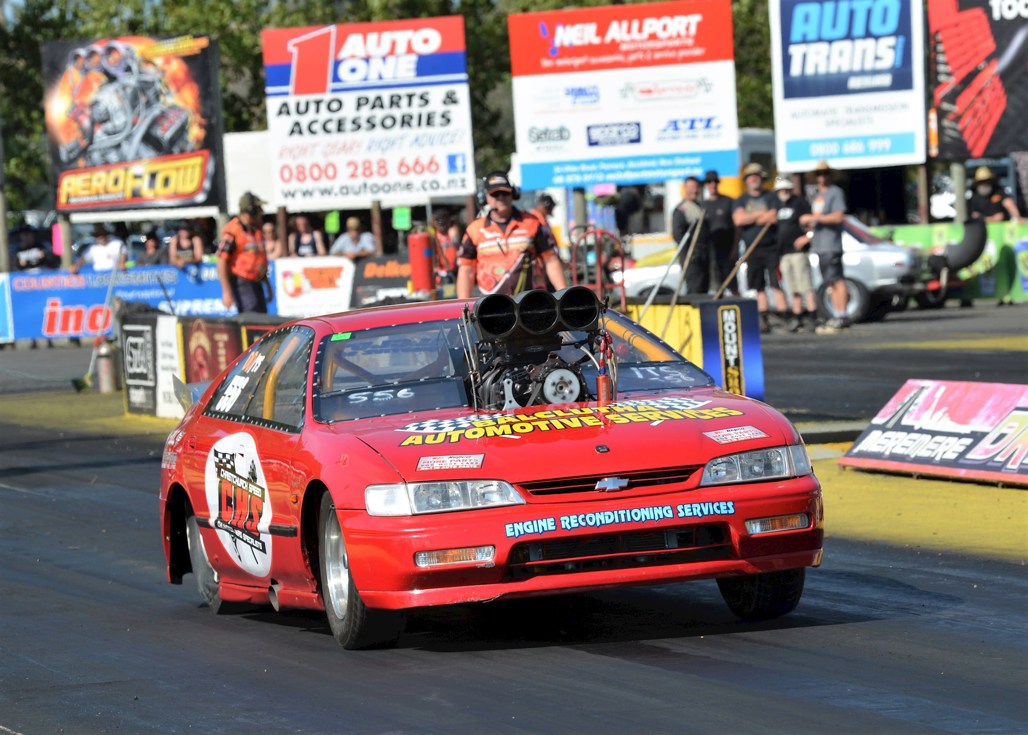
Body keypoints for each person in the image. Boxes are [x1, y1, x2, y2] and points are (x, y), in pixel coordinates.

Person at [457, 170, 567, 297]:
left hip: (531, 302)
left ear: (513, 194)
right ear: (485, 197)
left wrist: (562, 295)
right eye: (495, 194)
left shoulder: (532, 222)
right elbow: (466, 270)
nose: (501, 198)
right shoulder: (474, 229)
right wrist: (462, 307)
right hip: (490, 307)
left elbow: (551, 260)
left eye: (505, 193)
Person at [733, 163, 787, 332]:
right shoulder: (741, 199)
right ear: (747, 180)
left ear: (761, 178)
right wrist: (760, 215)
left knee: (776, 283)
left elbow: (772, 216)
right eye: (750, 176)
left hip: (771, 247)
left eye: (756, 175)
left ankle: (783, 317)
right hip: (752, 249)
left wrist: (751, 217)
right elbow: (739, 220)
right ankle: (764, 319)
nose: (754, 178)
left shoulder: (771, 197)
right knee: (758, 286)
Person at [800, 160, 849, 334]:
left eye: (825, 173)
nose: (822, 177)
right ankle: (836, 314)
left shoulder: (836, 193)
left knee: (837, 280)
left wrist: (816, 218)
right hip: (819, 245)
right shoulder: (818, 195)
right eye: (819, 174)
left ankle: (842, 314)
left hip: (831, 244)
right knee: (829, 281)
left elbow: (838, 217)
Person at [773, 176, 817, 333]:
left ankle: (812, 316)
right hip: (784, 253)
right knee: (792, 288)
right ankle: (797, 317)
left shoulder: (800, 203)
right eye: (781, 189)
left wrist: (807, 237)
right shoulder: (777, 205)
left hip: (798, 252)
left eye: (786, 189)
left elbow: (813, 222)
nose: (784, 192)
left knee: (805, 285)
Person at [217, 192, 273, 313]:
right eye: (258, 209)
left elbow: (260, 259)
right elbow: (221, 261)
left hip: (257, 281)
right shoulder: (232, 230)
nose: (261, 212)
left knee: (262, 316)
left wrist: (267, 285)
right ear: (250, 210)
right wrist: (226, 292)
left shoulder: (255, 230)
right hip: (242, 281)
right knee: (252, 316)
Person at [670, 176, 710, 294]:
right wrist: (690, 254)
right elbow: (678, 235)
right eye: (691, 187)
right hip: (691, 256)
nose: (695, 190)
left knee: (704, 288)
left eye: (696, 187)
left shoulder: (700, 207)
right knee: (695, 288)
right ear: (685, 189)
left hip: (704, 254)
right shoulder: (681, 209)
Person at [701, 170, 737, 294]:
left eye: (714, 181)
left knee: (732, 282)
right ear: (705, 185)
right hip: (711, 251)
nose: (712, 184)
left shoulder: (728, 201)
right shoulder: (702, 205)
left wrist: (735, 248)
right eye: (709, 182)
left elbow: (736, 227)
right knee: (716, 284)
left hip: (728, 250)